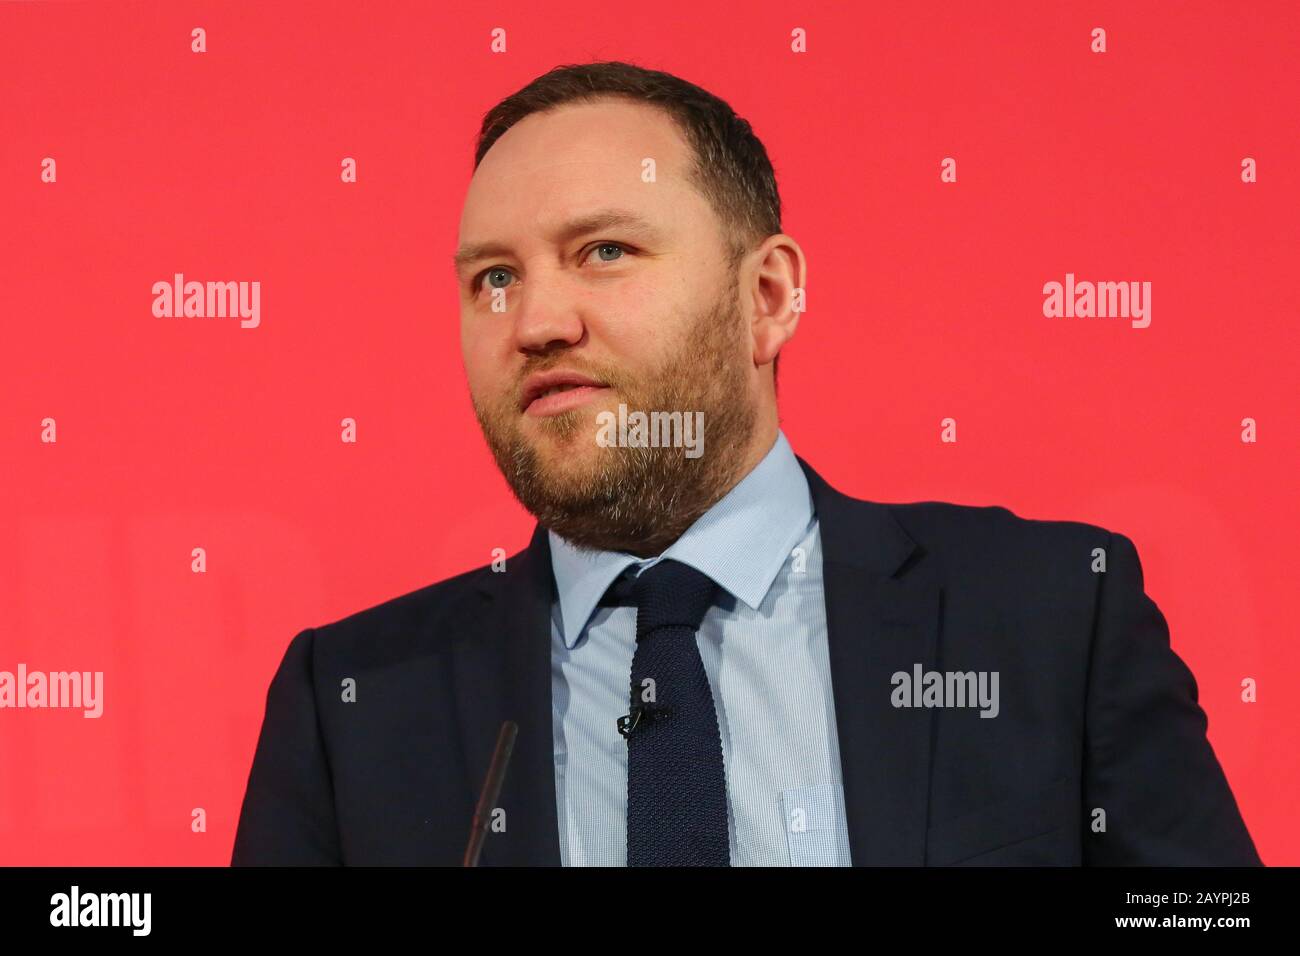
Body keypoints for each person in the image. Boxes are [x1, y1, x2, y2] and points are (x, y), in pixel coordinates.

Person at [231, 61, 1261, 866]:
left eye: (604, 251)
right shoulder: (354, 702)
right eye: (493, 277)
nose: (537, 320)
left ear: (766, 296)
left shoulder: (1045, 615)